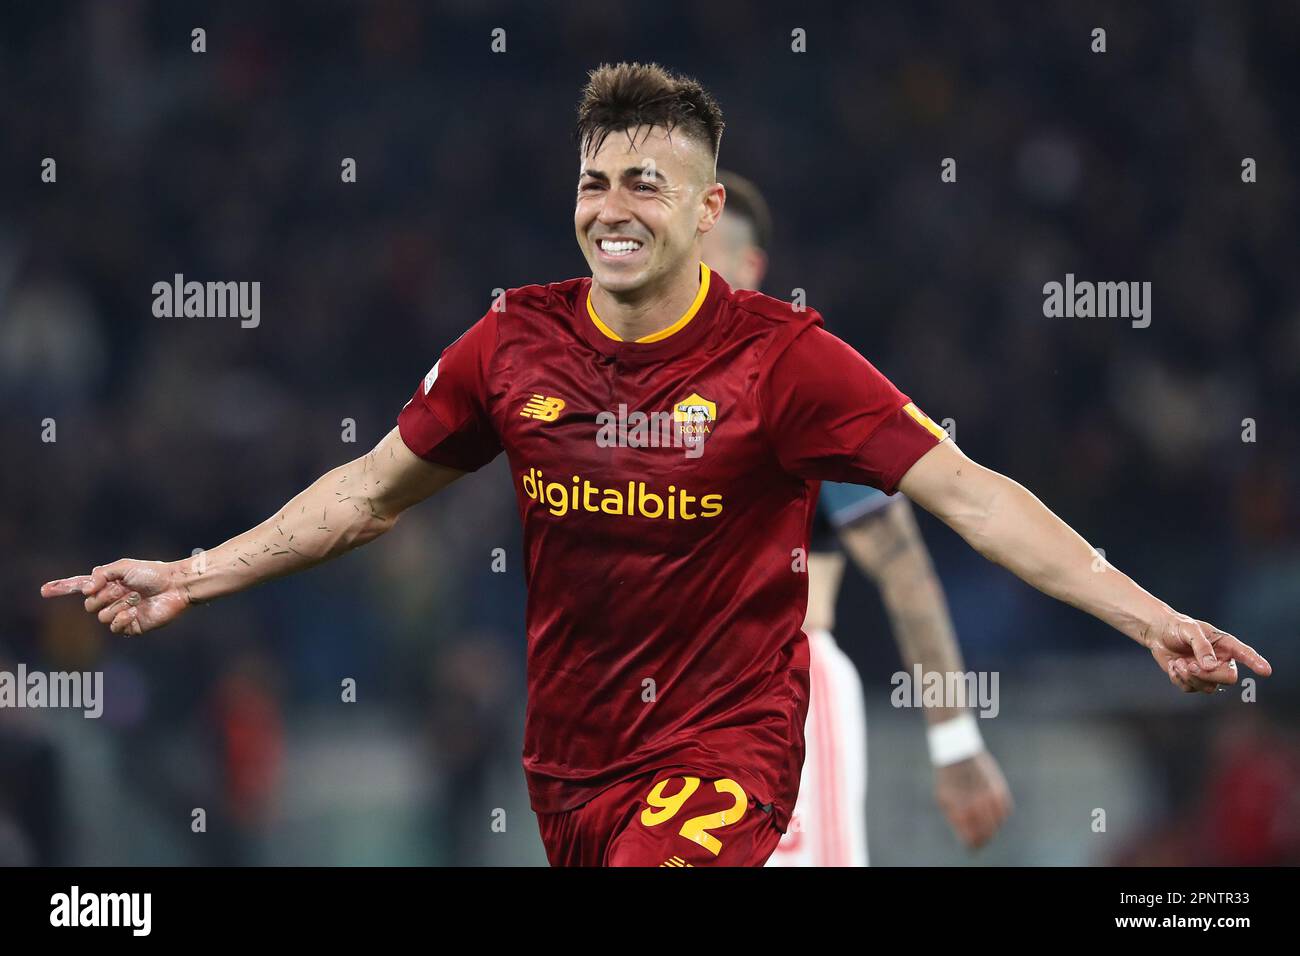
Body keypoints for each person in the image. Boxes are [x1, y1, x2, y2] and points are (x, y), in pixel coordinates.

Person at [42, 62, 1271, 868]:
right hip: (569, 761)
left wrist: (1146, 612)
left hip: (729, 743)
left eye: (645, 180)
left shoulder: (784, 361)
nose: (612, 204)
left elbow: (969, 494)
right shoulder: (510, 343)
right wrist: (198, 572)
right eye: (593, 180)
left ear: (703, 208)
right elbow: (365, 493)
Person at [701, 171, 1011, 866]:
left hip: (781, 690)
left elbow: (904, 572)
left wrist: (955, 741)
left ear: (750, 267)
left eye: (704, 248)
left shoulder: (799, 389)